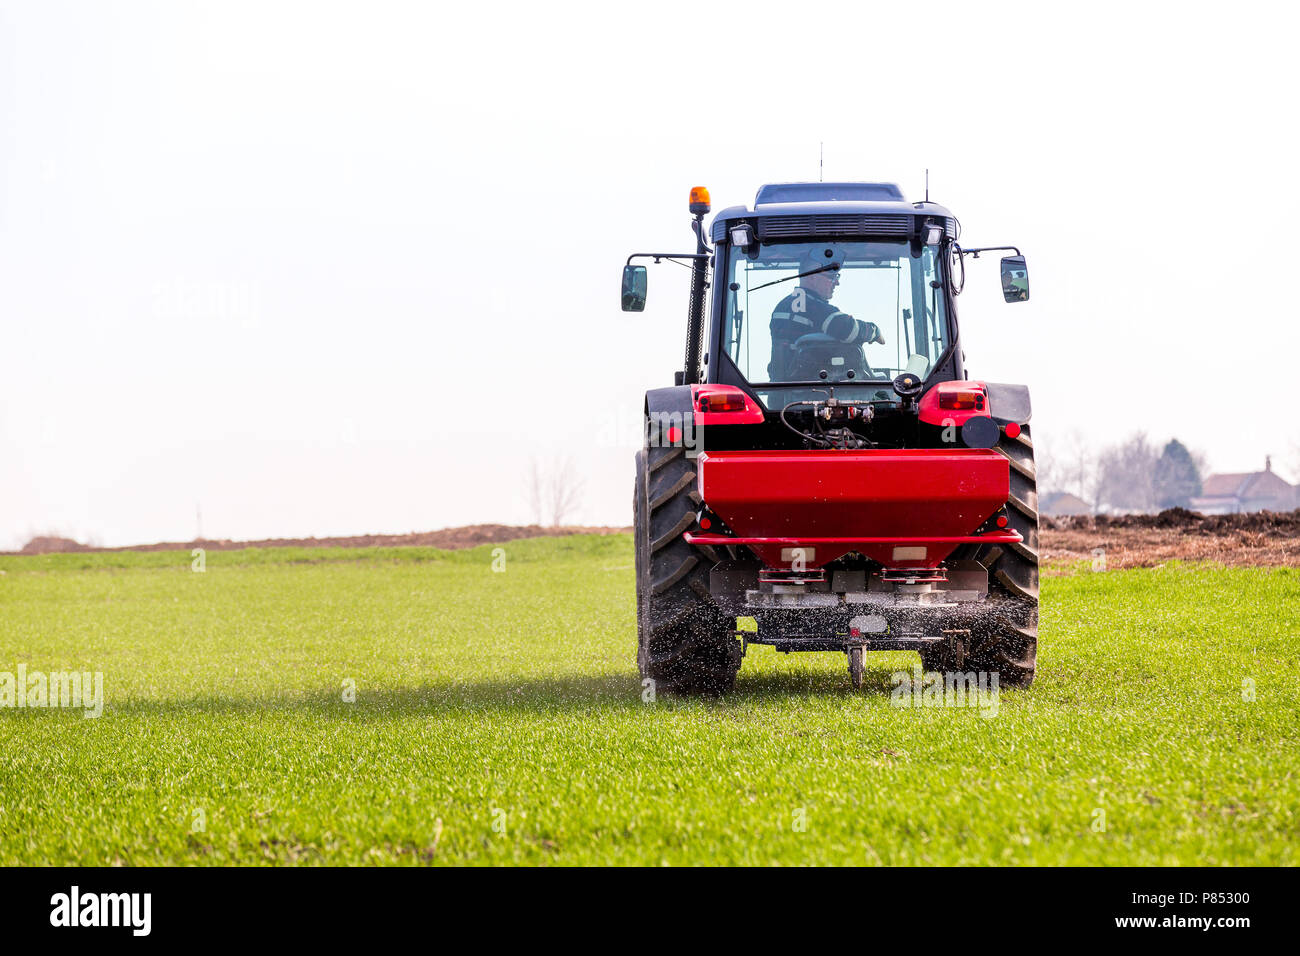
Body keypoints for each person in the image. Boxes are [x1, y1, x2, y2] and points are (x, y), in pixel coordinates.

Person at [768, 253, 885, 380]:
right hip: (812, 390)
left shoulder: (783, 306)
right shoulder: (814, 307)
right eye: (832, 276)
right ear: (811, 277)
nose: (837, 283)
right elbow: (848, 329)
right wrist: (874, 331)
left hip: (783, 393)